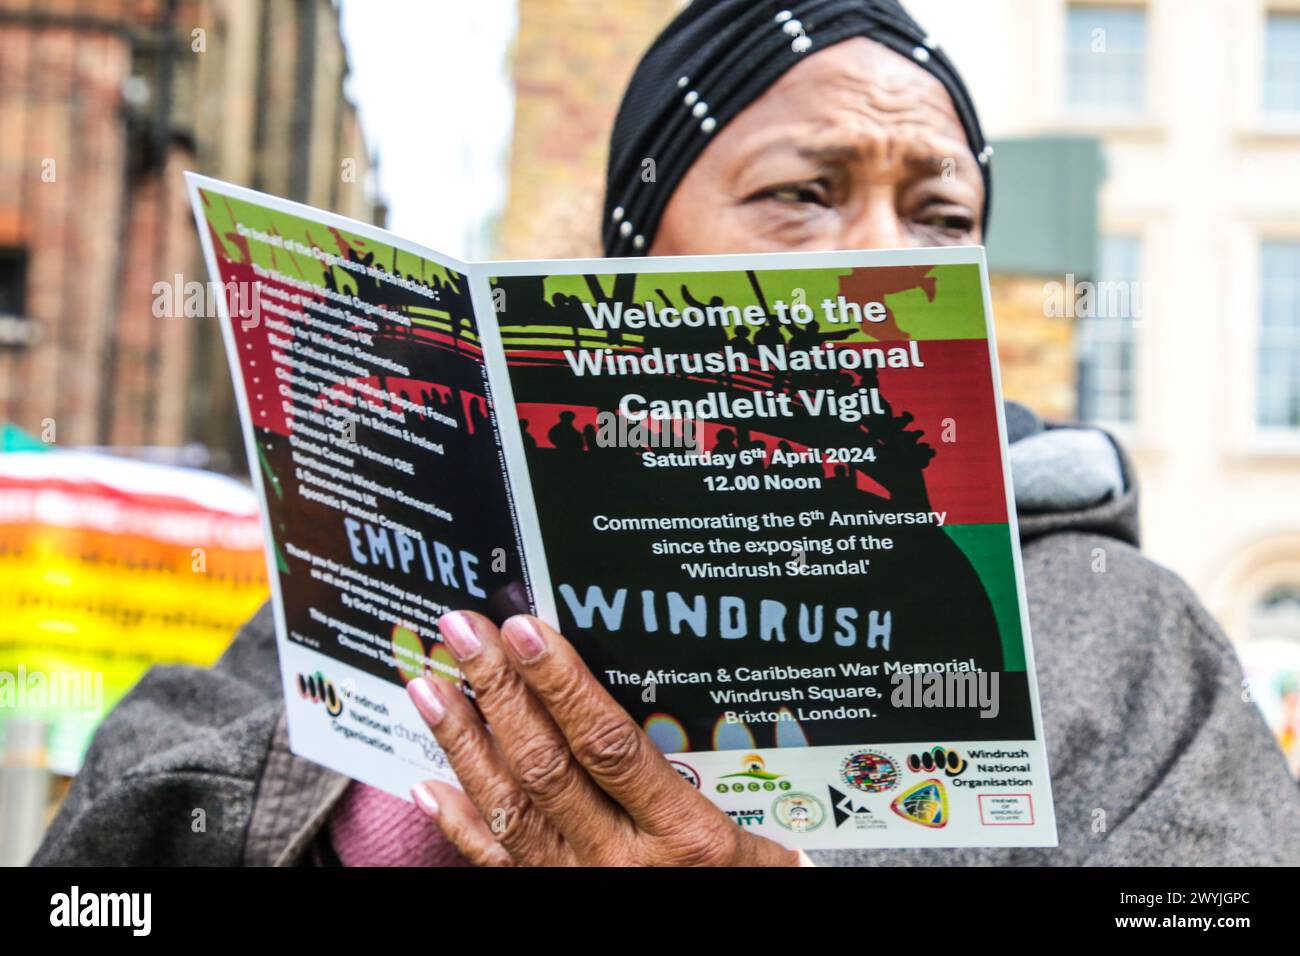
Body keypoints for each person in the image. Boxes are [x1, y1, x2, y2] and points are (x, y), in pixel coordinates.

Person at [34, 0, 1300, 867]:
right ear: (634, 266)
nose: (879, 257)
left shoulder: (1120, 631)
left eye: (940, 211)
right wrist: (396, 809)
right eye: (802, 196)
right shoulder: (420, 592)